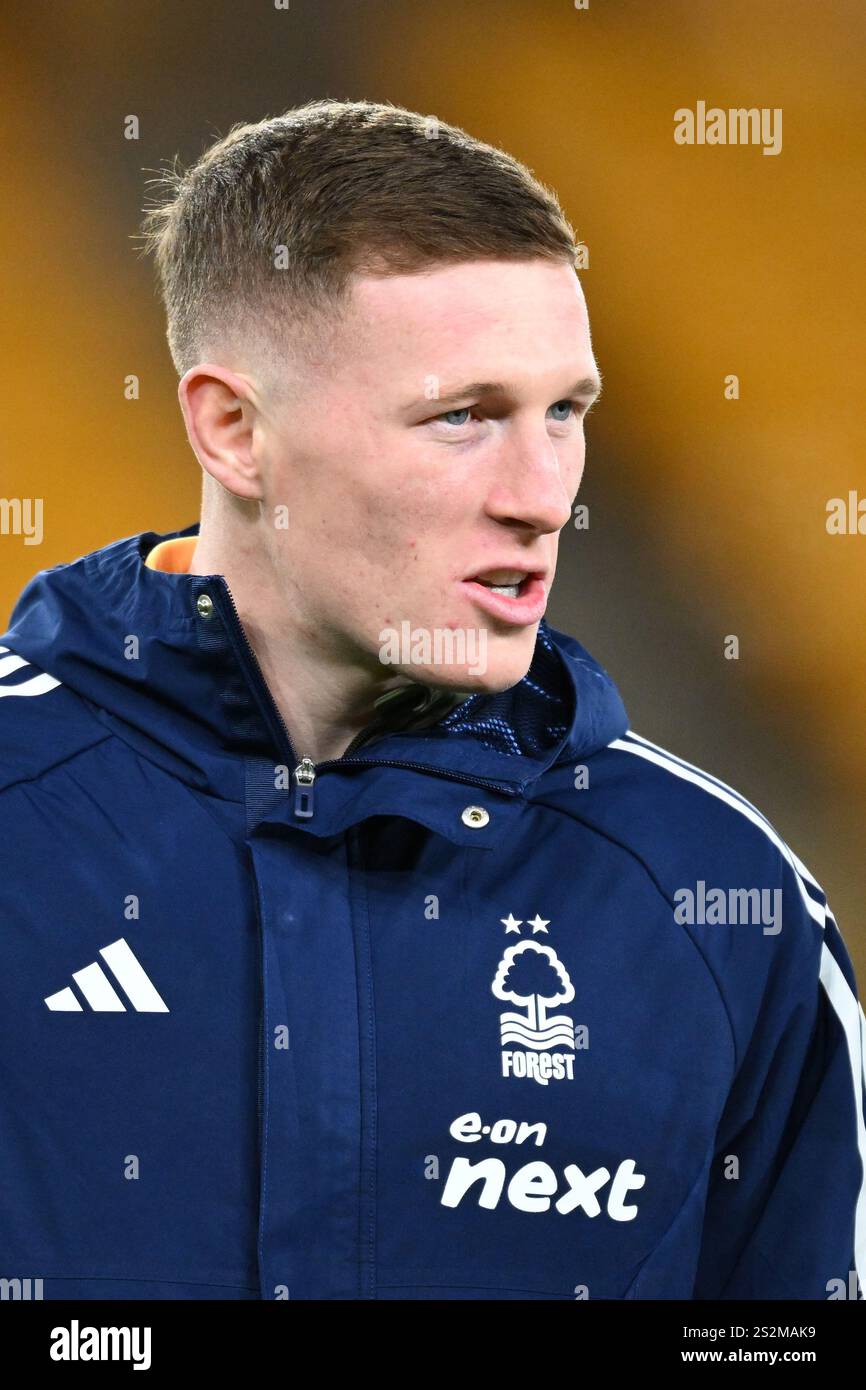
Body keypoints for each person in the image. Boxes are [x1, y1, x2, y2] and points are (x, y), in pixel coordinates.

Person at [1, 99, 863, 1302]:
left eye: (562, 413)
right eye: (460, 416)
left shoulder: (717, 893)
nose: (541, 496)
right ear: (235, 431)